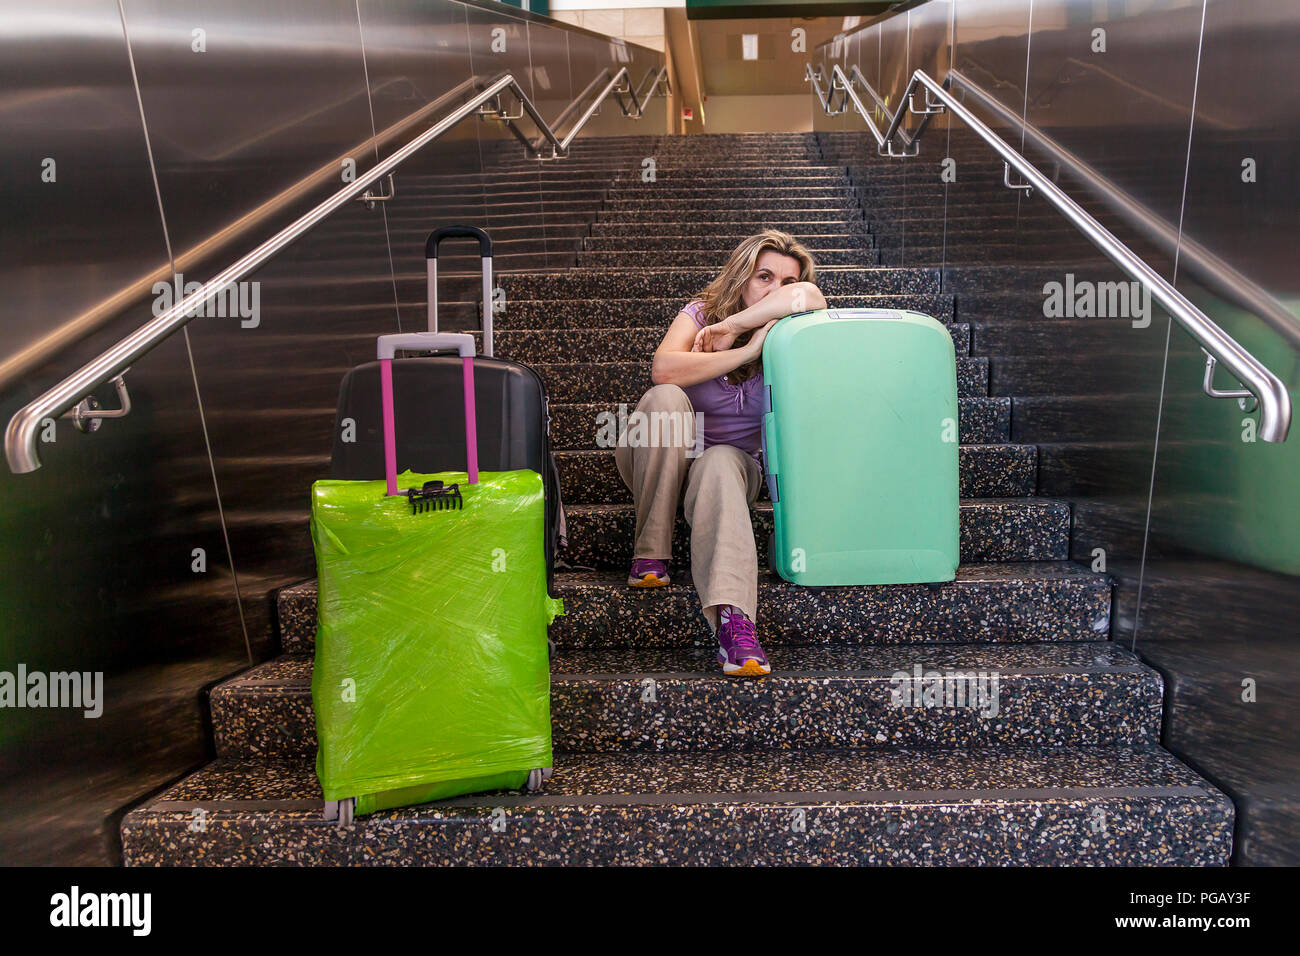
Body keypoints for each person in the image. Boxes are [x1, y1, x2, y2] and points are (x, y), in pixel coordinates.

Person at [614, 230, 827, 677]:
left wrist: (740, 335)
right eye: (763, 276)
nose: (776, 290)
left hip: (728, 470)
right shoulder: (702, 313)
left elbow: (811, 295)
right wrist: (740, 348)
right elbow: (664, 368)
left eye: (785, 282)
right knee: (666, 400)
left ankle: (734, 624)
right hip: (663, 454)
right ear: (741, 278)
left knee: (722, 461)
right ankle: (650, 552)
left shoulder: (795, 334)